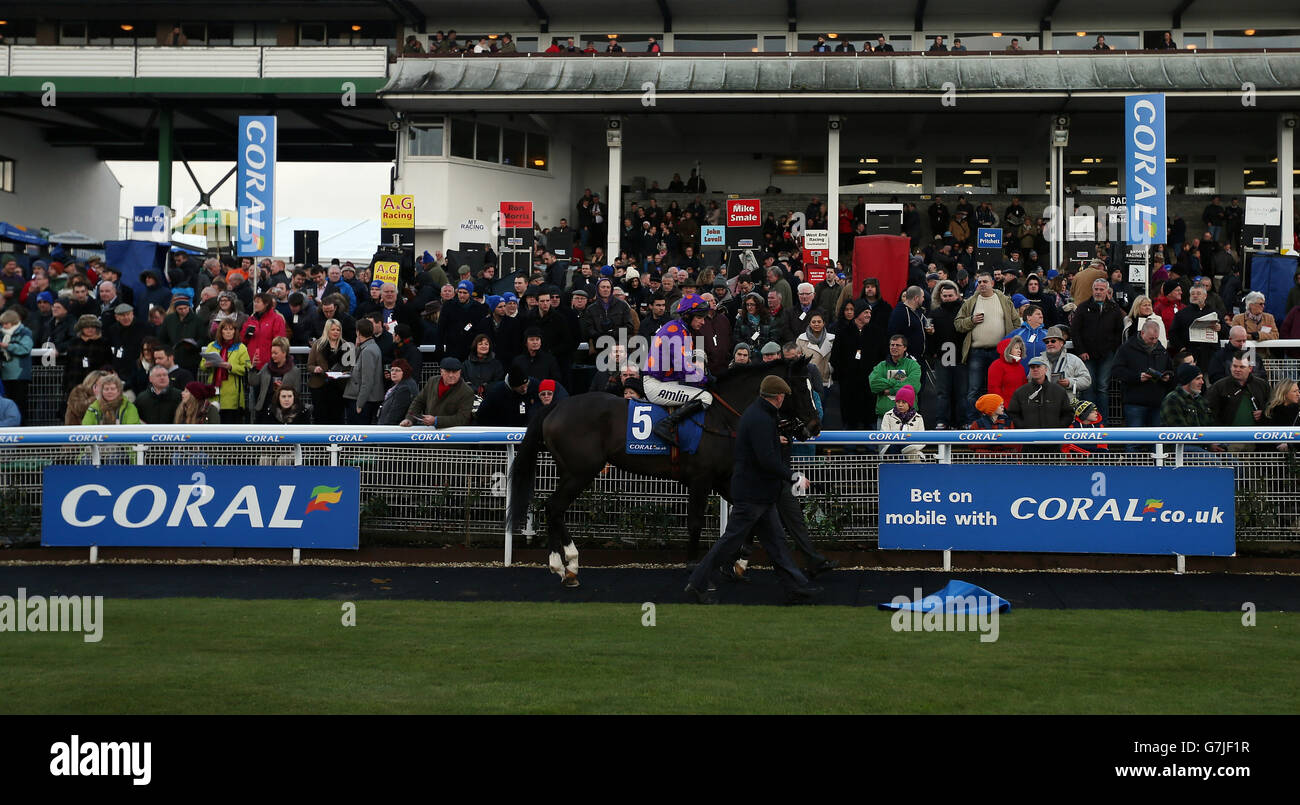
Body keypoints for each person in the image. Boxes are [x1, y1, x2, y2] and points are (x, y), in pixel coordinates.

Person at [684, 375, 820, 605]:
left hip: (758, 494)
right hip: (753, 494)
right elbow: (765, 459)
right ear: (778, 397)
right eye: (783, 397)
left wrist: (775, 442)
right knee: (730, 542)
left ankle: (796, 587)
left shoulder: (759, 415)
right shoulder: (760, 419)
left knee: (776, 543)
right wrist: (793, 476)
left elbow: (760, 450)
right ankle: (697, 583)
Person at [645, 295, 715, 447]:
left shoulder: (682, 330)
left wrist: (703, 376)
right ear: (688, 315)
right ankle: (664, 425)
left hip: (667, 381)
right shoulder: (676, 332)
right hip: (656, 386)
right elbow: (684, 367)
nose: (703, 322)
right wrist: (705, 379)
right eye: (700, 317)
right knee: (705, 398)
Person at [955, 269, 1020, 420]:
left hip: (999, 354)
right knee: (974, 389)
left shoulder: (1004, 300)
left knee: (996, 389)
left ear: (992, 283)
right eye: (979, 282)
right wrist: (971, 321)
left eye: (985, 282)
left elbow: (1017, 323)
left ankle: (998, 421)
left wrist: (1010, 345)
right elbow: (958, 324)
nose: (982, 284)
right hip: (976, 352)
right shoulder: (971, 301)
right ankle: (972, 423)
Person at [1112, 319, 1173, 429]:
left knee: (1156, 443)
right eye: (1151, 338)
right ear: (1142, 333)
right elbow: (1116, 371)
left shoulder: (1162, 350)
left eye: (1156, 338)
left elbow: (1171, 369)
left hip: (1157, 402)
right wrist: (1137, 377)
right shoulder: (1126, 349)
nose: (1154, 341)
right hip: (1134, 402)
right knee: (1134, 440)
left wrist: (1168, 376)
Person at [199, 319, 252, 424]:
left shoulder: (241, 348)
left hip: (232, 396)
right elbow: (202, 365)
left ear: (235, 331)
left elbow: (246, 368)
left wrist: (230, 367)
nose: (228, 332)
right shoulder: (212, 346)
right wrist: (207, 364)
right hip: (213, 393)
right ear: (221, 331)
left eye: (231, 329)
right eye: (225, 329)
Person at [401, 357, 475, 428]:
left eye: (455, 372)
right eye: (447, 371)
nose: (451, 375)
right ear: (441, 372)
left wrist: (436, 420)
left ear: (460, 372)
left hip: (451, 433)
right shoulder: (432, 381)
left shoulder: (467, 392)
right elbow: (419, 401)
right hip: (429, 429)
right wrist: (409, 418)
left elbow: (462, 418)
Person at [1204, 351, 1270, 429]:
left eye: (1242, 367)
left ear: (1250, 368)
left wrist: (1264, 413)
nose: (1237, 370)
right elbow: (1210, 412)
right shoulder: (1219, 386)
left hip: (1256, 436)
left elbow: (1271, 406)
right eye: (1235, 366)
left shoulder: (1262, 385)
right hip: (1227, 436)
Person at [307, 318, 354, 425]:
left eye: (338, 330)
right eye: (333, 329)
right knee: (320, 416)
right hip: (320, 386)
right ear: (327, 330)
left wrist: (344, 373)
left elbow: (351, 368)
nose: (336, 332)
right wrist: (315, 369)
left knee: (337, 416)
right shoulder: (318, 344)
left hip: (338, 387)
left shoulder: (347, 346)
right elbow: (309, 365)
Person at [1008, 356, 1074, 430]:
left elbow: (1068, 414)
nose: (1035, 369)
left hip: (1053, 437)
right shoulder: (1020, 392)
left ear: (1045, 369)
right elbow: (1013, 414)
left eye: (1038, 366)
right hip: (1029, 438)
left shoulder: (1059, 391)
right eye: (1032, 367)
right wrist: (1023, 428)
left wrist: (1058, 428)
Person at [869, 335, 922, 425]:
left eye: (898, 345)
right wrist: (896, 380)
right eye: (892, 345)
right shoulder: (881, 365)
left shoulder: (913, 365)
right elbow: (874, 384)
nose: (894, 347)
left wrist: (890, 390)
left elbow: (913, 387)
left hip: (908, 418)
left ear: (905, 348)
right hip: (884, 417)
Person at [249, 337, 300, 424]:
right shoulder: (267, 367)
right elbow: (253, 382)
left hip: (282, 412)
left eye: (276, 353)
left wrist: (282, 389)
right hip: (264, 409)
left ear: (284, 353)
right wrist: (253, 367)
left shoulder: (294, 371)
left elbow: (296, 393)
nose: (272, 356)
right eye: (272, 353)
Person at [343, 318, 384, 425]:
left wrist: (359, 404)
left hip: (363, 400)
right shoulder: (368, 347)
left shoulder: (368, 351)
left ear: (358, 332)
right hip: (366, 399)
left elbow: (367, 380)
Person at [0, 309, 33, 423]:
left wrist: (7, 346)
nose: (4, 326)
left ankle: (22, 429)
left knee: (20, 403)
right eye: (3, 324)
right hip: (5, 375)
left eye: (6, 323)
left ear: (14, 322)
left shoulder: (25, 332)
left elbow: (25, 348)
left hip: (19, 376)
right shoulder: (2, 334)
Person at [878, 384, 925, 461]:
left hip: (912, 454)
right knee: (897, 444)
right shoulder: (888, 415)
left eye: (904, 402)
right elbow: (883, 436)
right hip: (891, 453)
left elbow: (922, 440)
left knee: (908, 447)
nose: (900, 405)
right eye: (898, 402)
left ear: (909, 404)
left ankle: (907, 449)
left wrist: (911, 447)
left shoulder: (918, 418)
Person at [377, 359, 418, 426]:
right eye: (392, 370)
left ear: (405, 372)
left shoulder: (404, 388)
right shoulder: (399, 384)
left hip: (393, 429)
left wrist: (385, 427)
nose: (393, 372)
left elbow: (395, 414)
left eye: (397, 370)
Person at [987, 336, 1028, 404]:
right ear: (1008, 349)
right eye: (1016, 348)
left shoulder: (1020, 367)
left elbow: (1024, 387)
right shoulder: (997, 365)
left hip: (1019, 406)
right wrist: (1003, 405)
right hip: (1003, 407)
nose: (1019, 350)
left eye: (1020, 348)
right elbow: (994, 389)